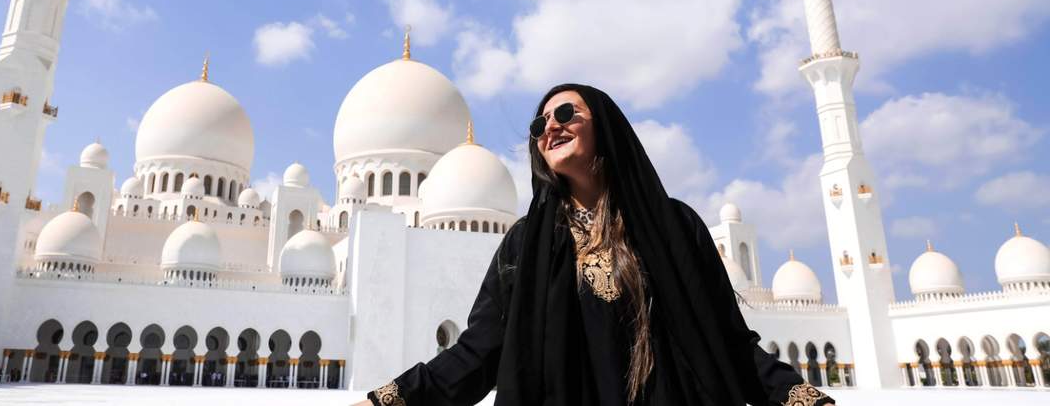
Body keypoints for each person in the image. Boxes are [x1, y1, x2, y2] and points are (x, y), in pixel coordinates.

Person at [355, 84, 835, 406]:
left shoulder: (674, 227)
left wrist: (802, 397)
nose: (550, 127)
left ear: (604, 126)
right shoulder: (526, 245)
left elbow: (727, 342)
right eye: (539, 124)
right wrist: (390, 398)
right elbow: (478, 353)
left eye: (566, 114)